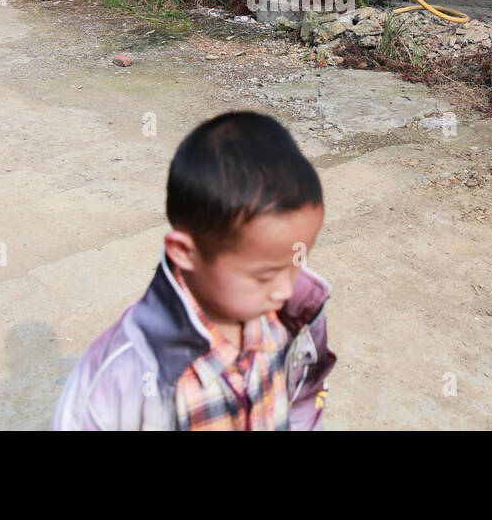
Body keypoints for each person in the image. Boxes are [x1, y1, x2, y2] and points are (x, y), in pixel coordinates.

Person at [53, 111, 335, 430]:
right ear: (185, 253)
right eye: (264, 276)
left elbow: (306, 396)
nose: (286, 290)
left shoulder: (295, 320)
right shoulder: (123, 374)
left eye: (298, 260)